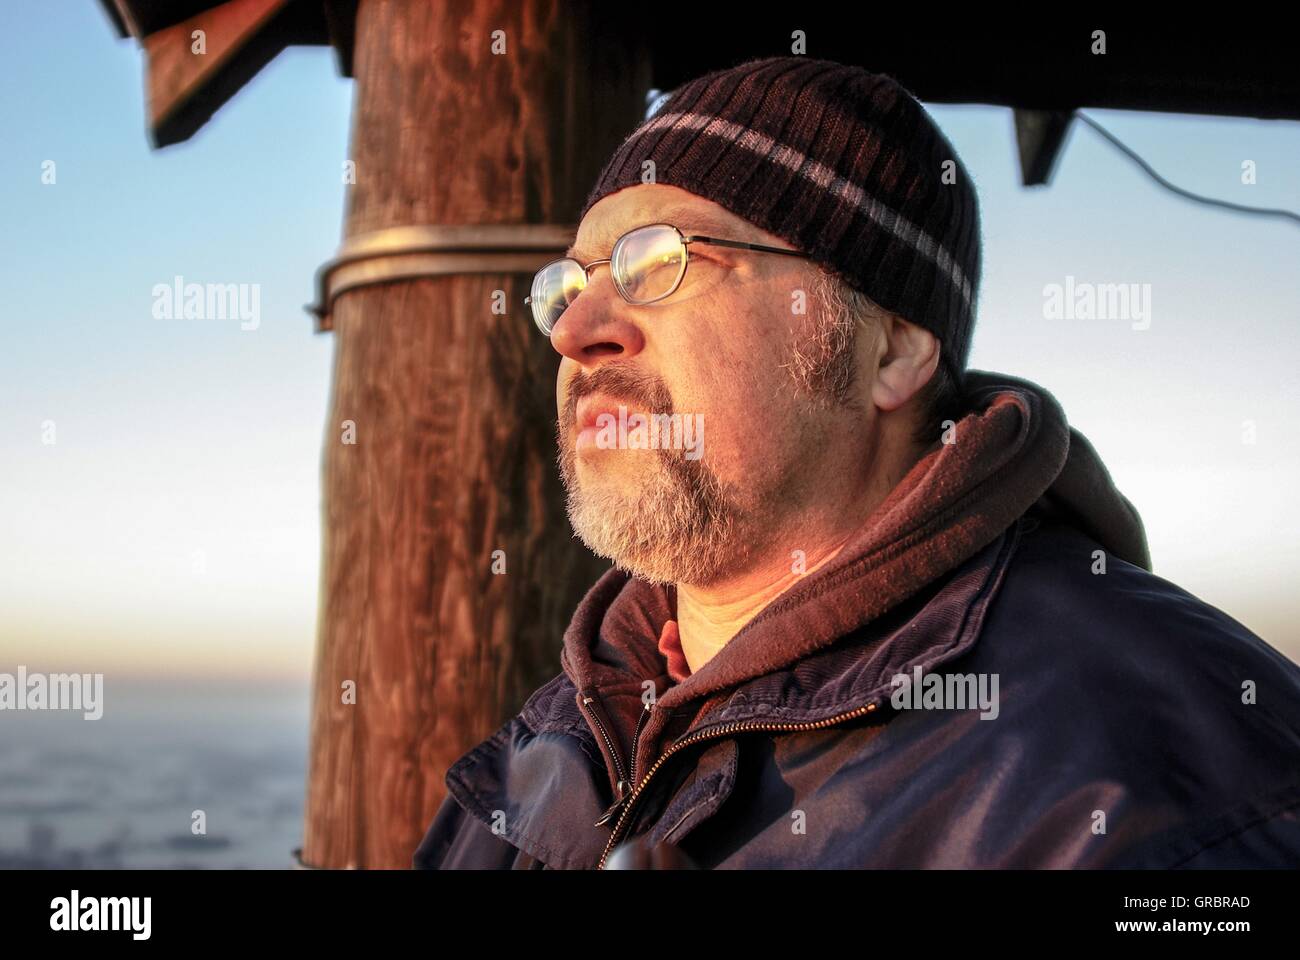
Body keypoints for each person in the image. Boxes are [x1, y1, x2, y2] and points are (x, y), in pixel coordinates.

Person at [413, 56, 1300, 869]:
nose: (575, 332)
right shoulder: (556, 742)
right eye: (568, 285)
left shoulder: (1167, 778)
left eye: (659, 262)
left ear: (890, 354)